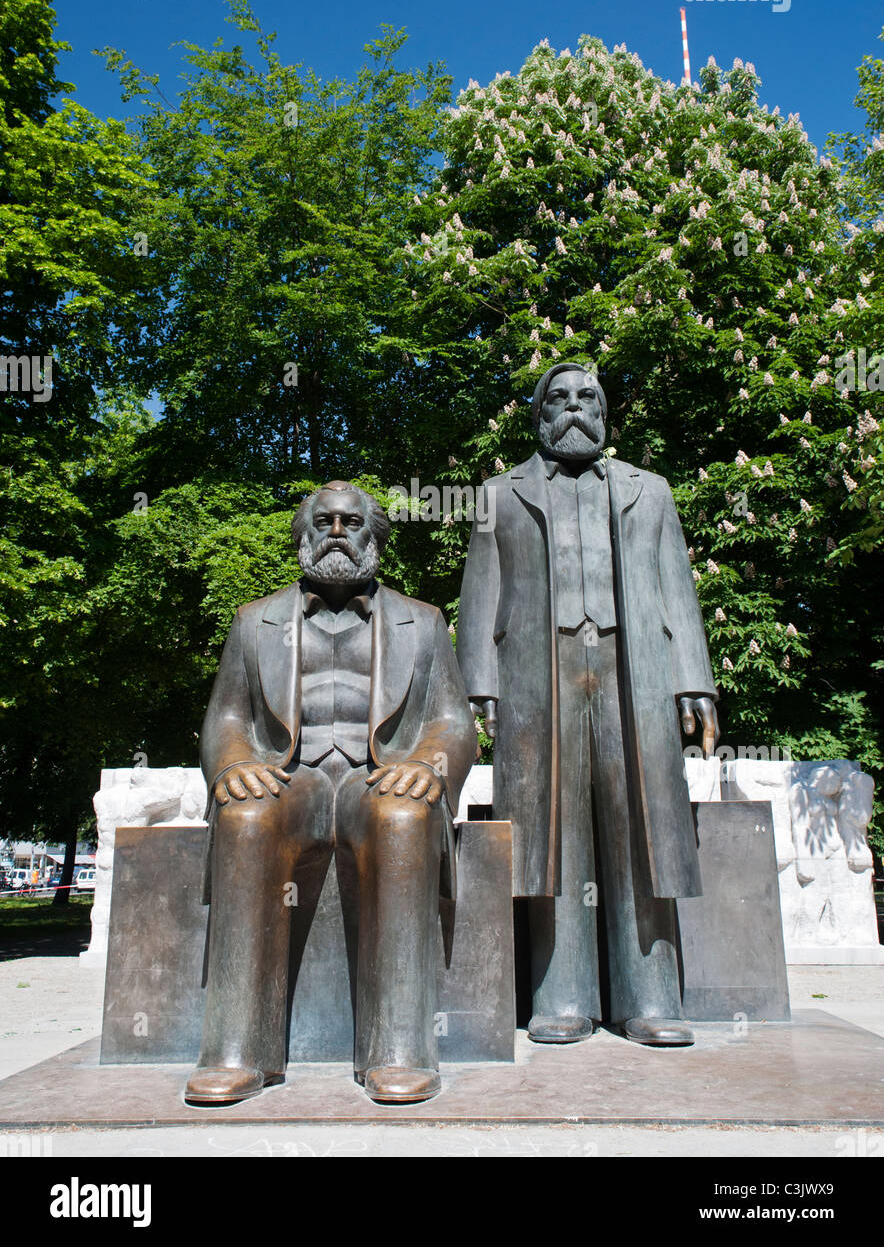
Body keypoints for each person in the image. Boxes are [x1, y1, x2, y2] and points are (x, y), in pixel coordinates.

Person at [185, 481, 475, 1105]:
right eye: (323, 521)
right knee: (245, 817)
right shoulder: (253, 621)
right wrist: (234, 763)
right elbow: (226, 720)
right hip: (293, 779)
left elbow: (454, 722)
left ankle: (399, 1050)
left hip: (377, 777)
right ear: (302, 533)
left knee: (402, 814)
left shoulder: (422, 622)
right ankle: (238, 1051)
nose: (337, 531)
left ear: (375, 537)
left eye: (351, 521)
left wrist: (429, 762)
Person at [457, 363, 719, 1046]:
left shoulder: (649, 491)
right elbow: (481, 591)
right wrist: (477, 686)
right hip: (536, 674)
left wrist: (694, 676)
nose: (575, 409)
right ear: (540, 416)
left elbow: (676, 586)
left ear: (605, 413)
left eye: (589, 398)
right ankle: (562, 994)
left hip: (637, 667)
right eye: (560, 399)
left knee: (644, 825)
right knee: (552, 829)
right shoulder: (499, 494)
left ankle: (651, 998)